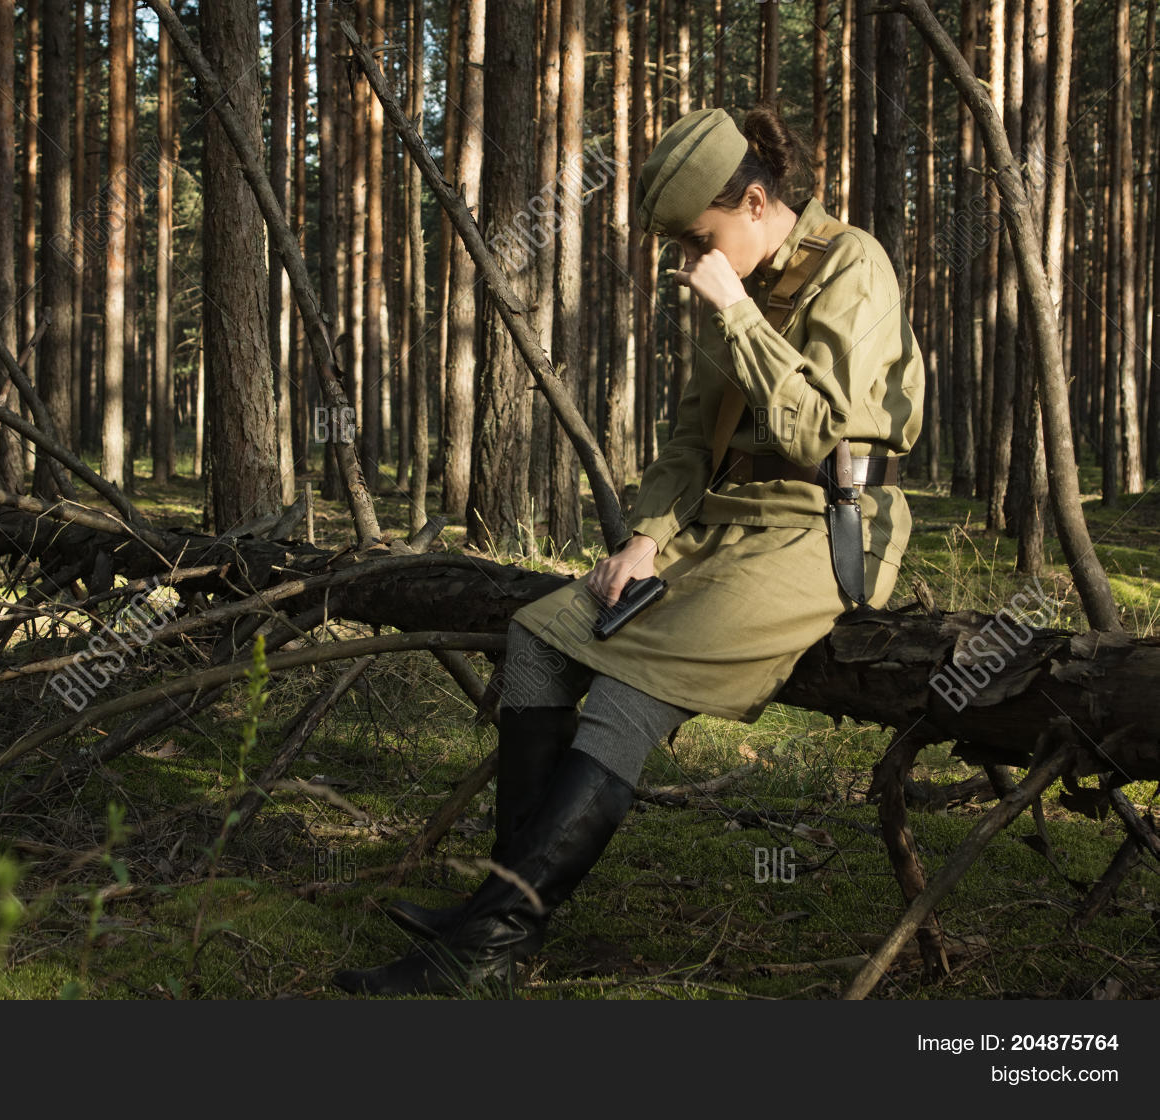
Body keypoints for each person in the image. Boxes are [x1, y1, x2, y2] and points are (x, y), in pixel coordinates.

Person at [333, 103, 925, 996]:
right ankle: (500, 910)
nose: (693, 263)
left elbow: (817, 436)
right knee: (542, 635)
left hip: (825, 527)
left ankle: (484, 948)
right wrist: (646, 539)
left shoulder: (853, 265)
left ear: (757, 203)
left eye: (701, 239)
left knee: (628, 682)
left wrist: (736, 315)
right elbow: (692, 441)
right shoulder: (739, 285)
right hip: (719, 526)